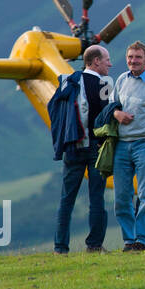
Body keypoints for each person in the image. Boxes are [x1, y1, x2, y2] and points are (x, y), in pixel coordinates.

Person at [52, 44, 112, 253]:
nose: (109, 64)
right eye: (106, 60)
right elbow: (108, 118)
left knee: (66, 199)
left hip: (72, 147)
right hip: (95, 147)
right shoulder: (104, 85)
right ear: (96, 61)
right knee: (96, 198)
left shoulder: (69, 82)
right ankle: (94, 245)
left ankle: (60, 247)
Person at [112, 40, 145, 250]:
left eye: (138, 57)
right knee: (122, 197)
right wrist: (117, 114)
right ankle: (129, 239)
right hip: (122, 146)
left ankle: (142, 240)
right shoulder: (121, 80)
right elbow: (112, 107)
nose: (133, 61)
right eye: (130, 57)